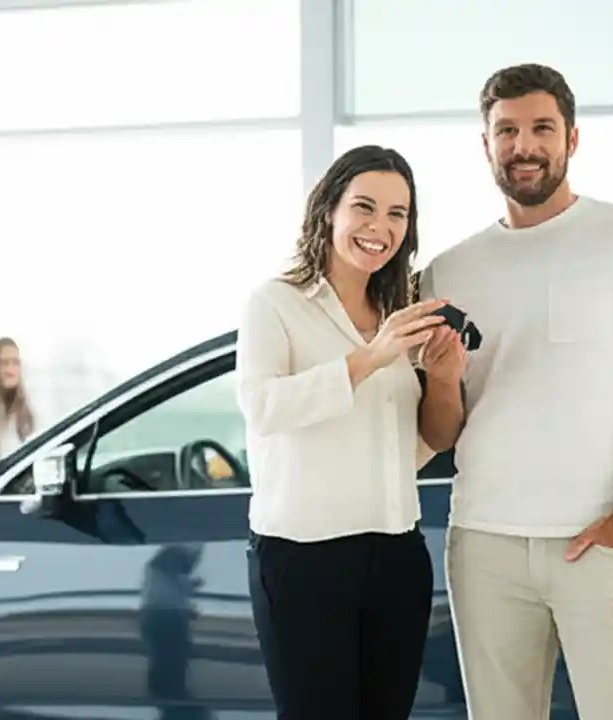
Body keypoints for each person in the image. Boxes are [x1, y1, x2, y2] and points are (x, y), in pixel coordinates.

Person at [417, 63, 613, 720]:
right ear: (486, 144)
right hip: (484, 542)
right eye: (507, 131)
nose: (524, 146)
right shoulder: (447, 270)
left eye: (542, 128)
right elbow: (441, 434)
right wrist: (440, 379)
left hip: (601, 538)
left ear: (572, 138)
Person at [236, 144, 467, 719]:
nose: (379, 227)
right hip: (303, 559)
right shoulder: (275, 304)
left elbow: (426, 443)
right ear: (328, 210)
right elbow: (263, 408)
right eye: (364, 207)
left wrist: (443, 379)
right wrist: (372, 355)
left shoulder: (400, 312)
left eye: (397, 214)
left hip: (396, 555)